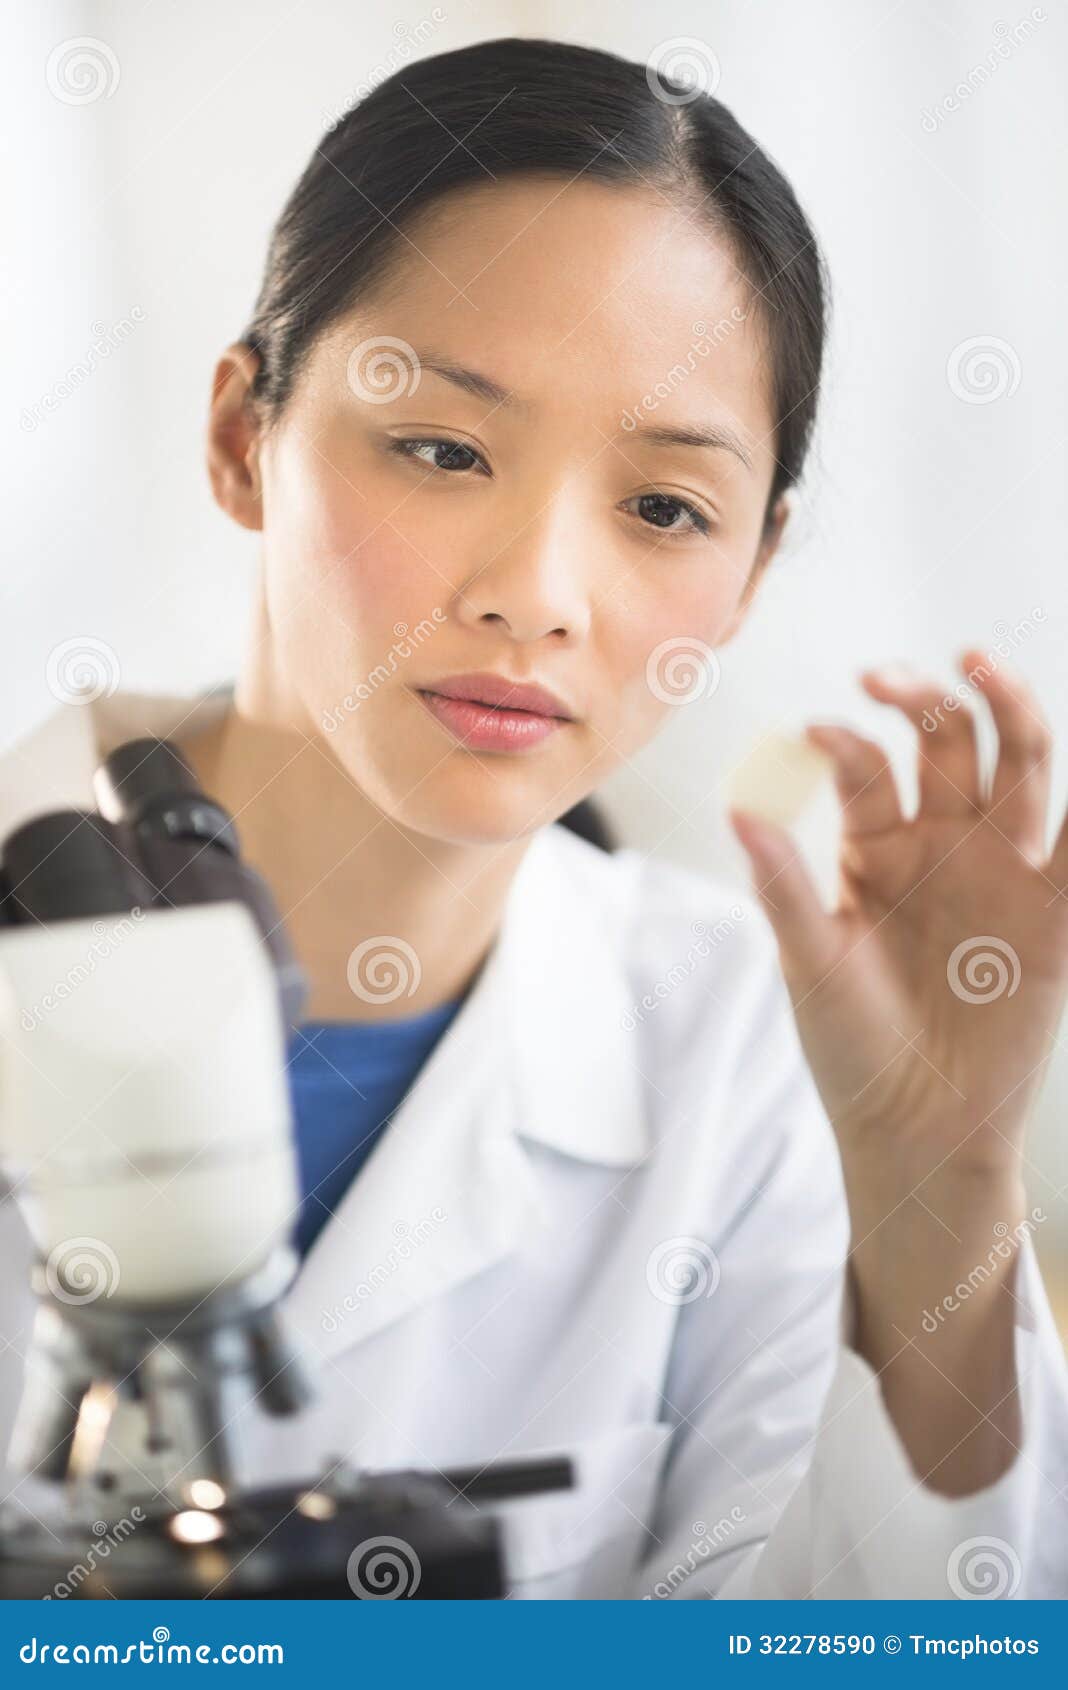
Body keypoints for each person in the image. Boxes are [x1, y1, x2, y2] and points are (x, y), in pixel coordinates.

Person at [1, 36, 1066, 1600]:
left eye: (662, 508)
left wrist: (934, 1197)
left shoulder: (743, 1053)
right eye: (440, 447)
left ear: (754, 567)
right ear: (244, 437)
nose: (539, 596)